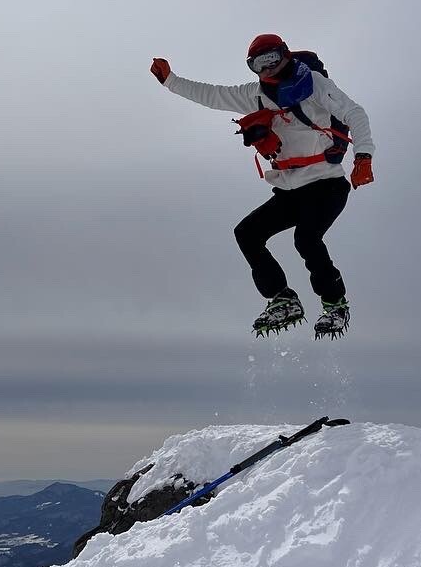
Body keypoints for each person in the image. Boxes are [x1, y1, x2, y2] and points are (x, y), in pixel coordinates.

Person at [149, 34, 375, 339]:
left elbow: (355, 113)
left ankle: (334, 305)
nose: (266, 69)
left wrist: (363, 157)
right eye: (257, 64)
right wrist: (170, 81)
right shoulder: (255, 94)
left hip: (327, 185)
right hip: (289, 190)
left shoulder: (316, 85)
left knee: (306, 239)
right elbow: (212, 95)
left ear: (285, 55)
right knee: (247, 233)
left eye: (271, 59)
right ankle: (282, 299)